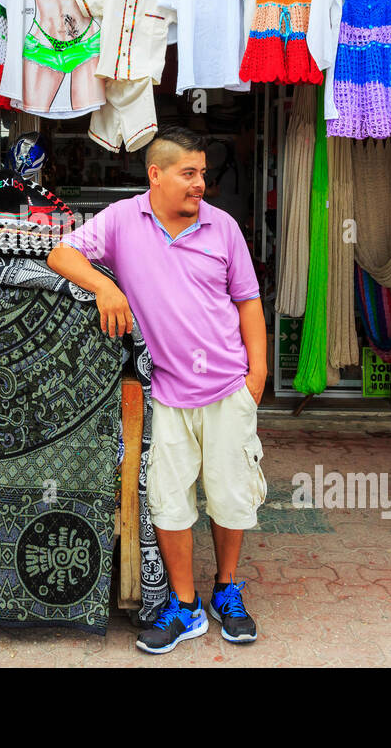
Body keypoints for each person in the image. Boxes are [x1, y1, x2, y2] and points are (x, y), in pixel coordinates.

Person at [47, 126, 269, 654]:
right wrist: (106, 286)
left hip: (226, 390)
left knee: (231, 497)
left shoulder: (224, 228)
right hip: (168, 392)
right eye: (188, 174)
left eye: (203, 174)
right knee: (169, 504)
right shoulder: (125, 220)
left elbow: (249, 303)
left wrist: (256, 377)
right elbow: (61, 254)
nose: (200, 185)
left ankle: (228, 592)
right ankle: (186, 606)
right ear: (156, 175)